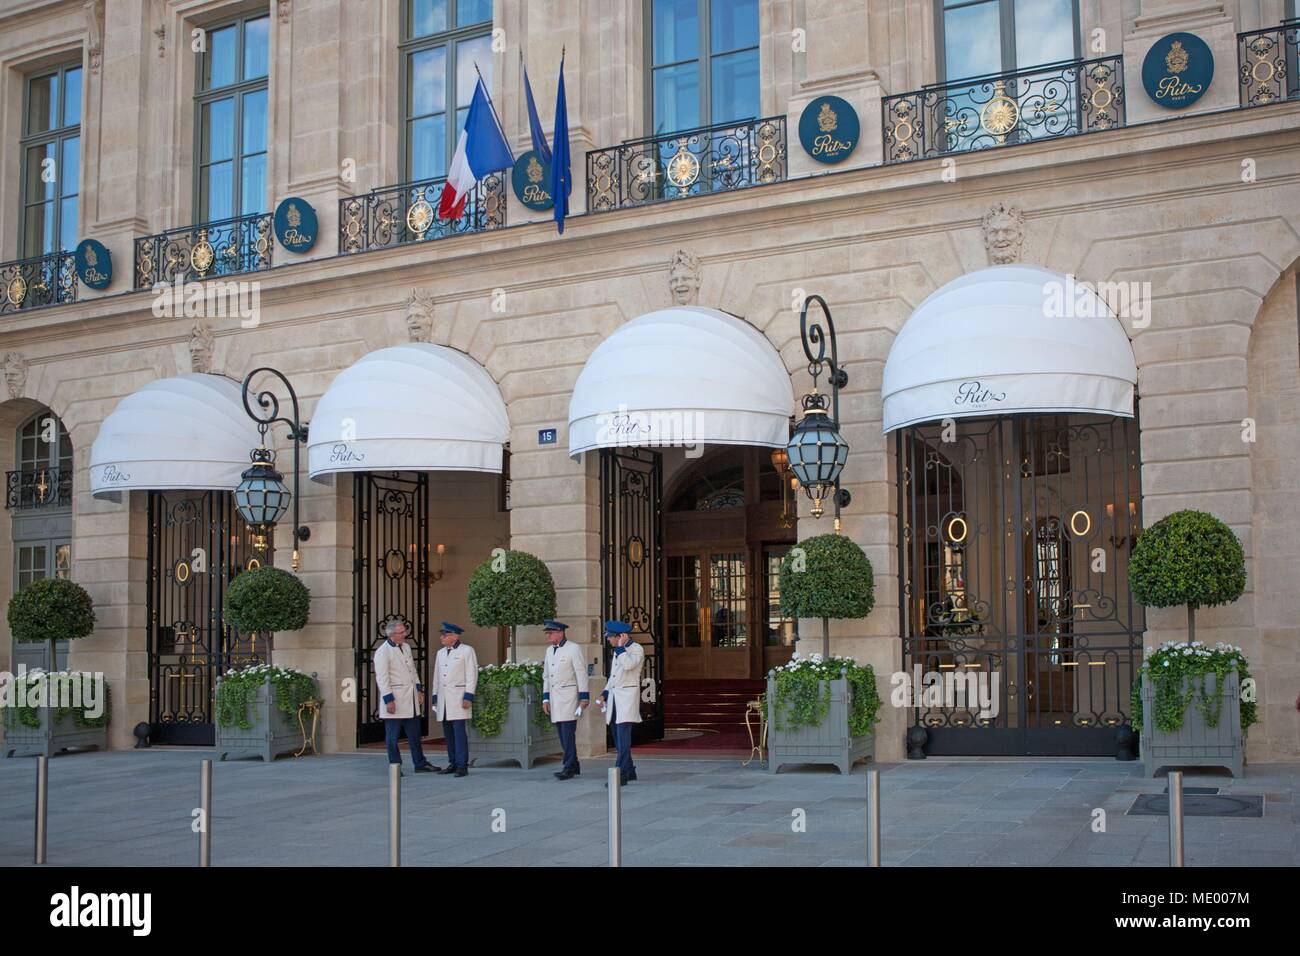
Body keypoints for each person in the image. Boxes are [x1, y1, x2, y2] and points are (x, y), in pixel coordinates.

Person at [373, 619, 438, 775]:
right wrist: (389, 700)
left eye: (404, 631)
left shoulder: (406, 647)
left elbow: (412, 670)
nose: (405, 634)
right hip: (395, 698)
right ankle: (395, 765)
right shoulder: (383, 652)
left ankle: (420, 762)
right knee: (392, 736)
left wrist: (419, 689)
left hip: (410, 698)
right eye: (401, 632)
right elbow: (382, 678)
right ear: (392, 634)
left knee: (415, 734)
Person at [597, 619, 644, 787]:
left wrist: (621, 647)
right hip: (615, 699)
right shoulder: (619, 650)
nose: (608, 640)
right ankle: (629, 770)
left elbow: (628, 665)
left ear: (620, 636)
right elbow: (614, 676)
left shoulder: (636, 649)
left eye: (610, 637)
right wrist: (604, 693)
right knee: (617, 737)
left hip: (626, 700)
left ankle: (620, 774)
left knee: (623, 739)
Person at [542, 620, 589, 780]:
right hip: (555, 698)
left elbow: (581, 673)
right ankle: (573, 764)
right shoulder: (549, 650)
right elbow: (546, 676)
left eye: (551, 633)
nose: (549, 635)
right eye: (547, 633)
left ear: (561, 633)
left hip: (568, 697)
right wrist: (545, 698)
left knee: (568, 733)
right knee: (561, 733)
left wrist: (584, 696)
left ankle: (568, 766)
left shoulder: (573, 648)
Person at [431, 621, 477, 777]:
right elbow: (437, 676)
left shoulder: (466, 651)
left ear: (454, 636)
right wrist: (435, 696)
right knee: (448, 732)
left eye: (445, 635)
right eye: (442, 634)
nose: (442, 637)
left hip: (458, 697)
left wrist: (469, 695)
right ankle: (452, 761)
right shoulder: (441, 653)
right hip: (444, 698)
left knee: (459, 732)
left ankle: (462, 764)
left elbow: (472, 674)